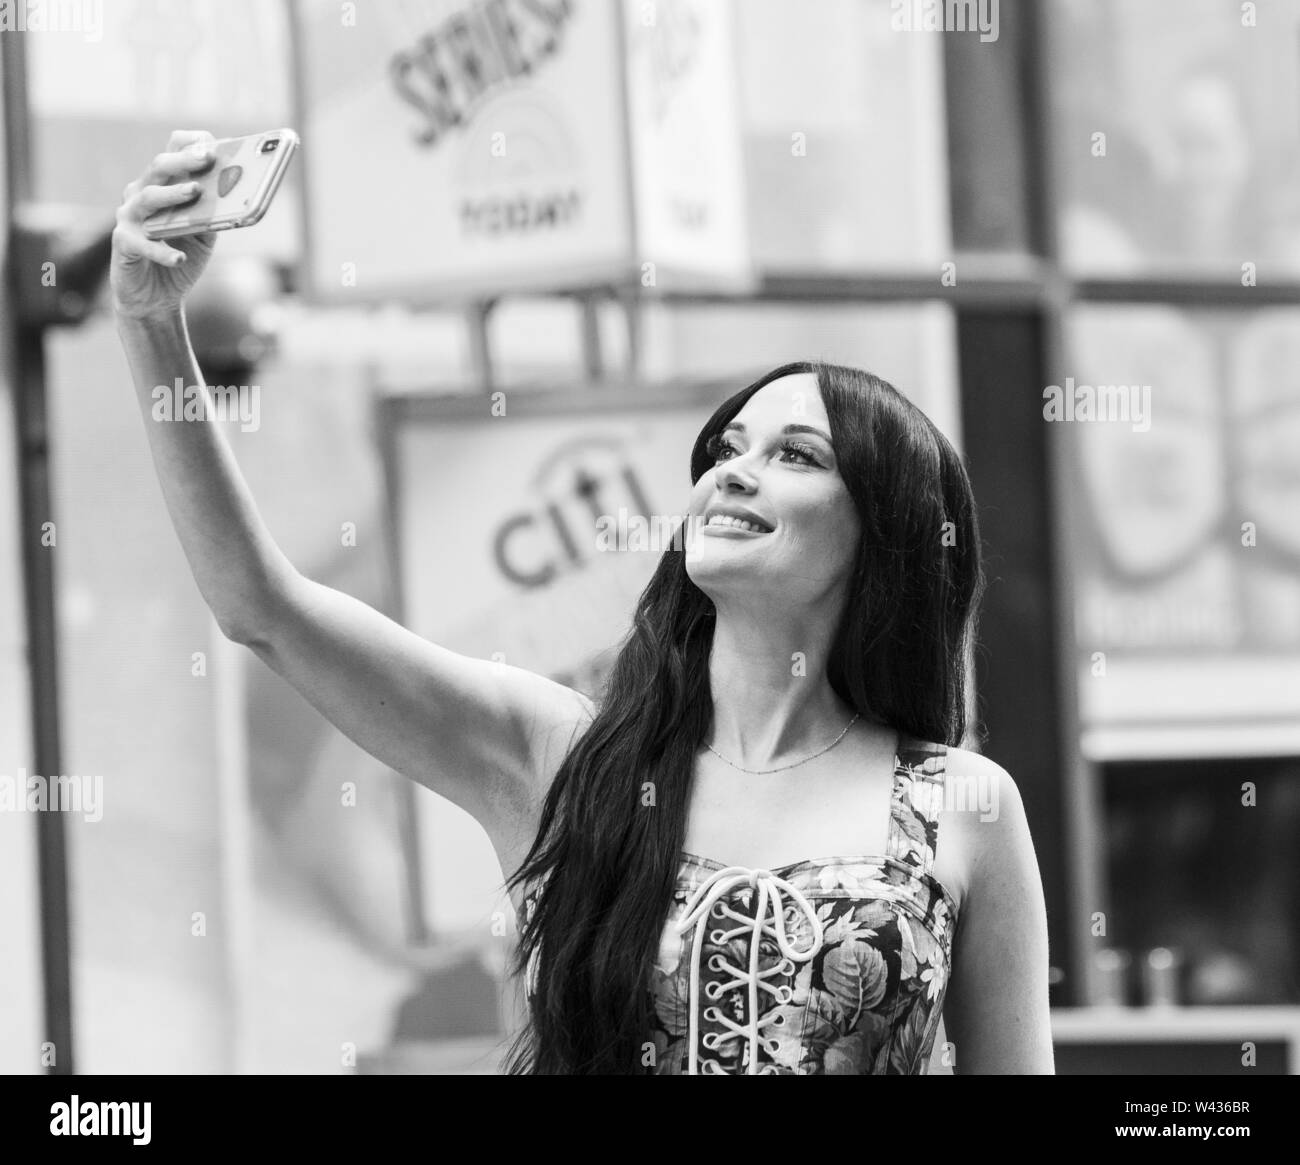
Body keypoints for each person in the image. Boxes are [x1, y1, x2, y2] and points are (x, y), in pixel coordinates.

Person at [111, 130, 1054, 1076]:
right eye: (726, 451)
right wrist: (153, 326)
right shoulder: (565, 760)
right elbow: (259, 605)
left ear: (886, 532)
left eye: (795, 455)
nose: (734, 474)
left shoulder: (960, 807)